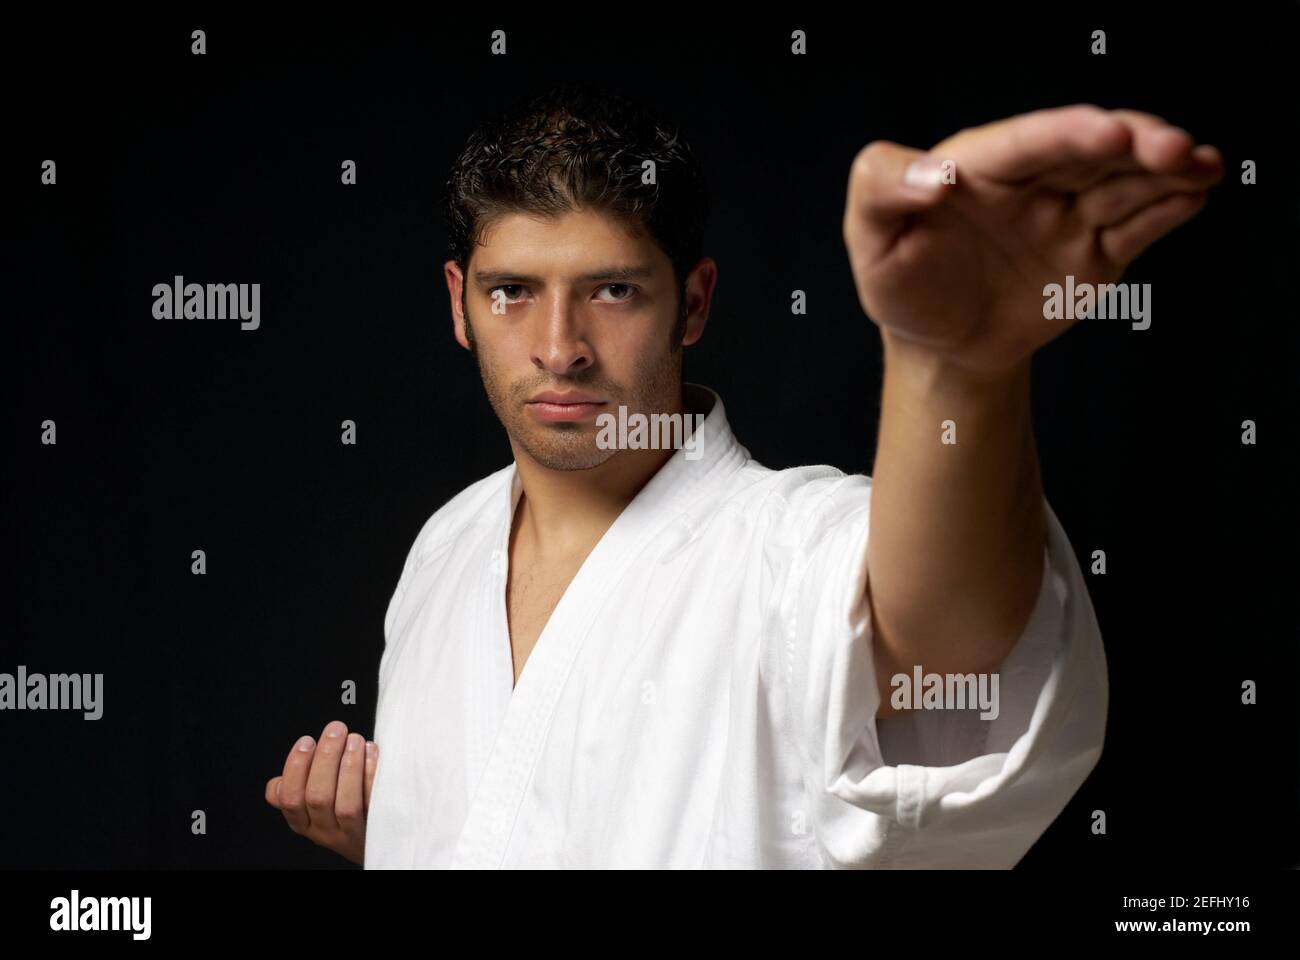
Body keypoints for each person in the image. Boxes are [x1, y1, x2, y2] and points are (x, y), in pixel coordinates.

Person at [264, 82, 1224, 868]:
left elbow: (947, 653)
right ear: (458, 304)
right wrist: (395, 840)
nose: (559, 349)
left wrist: (957, 365)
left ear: (694, 302)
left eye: (613, 290)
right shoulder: (446, 544)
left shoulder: (786, 545)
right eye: (512, 292)